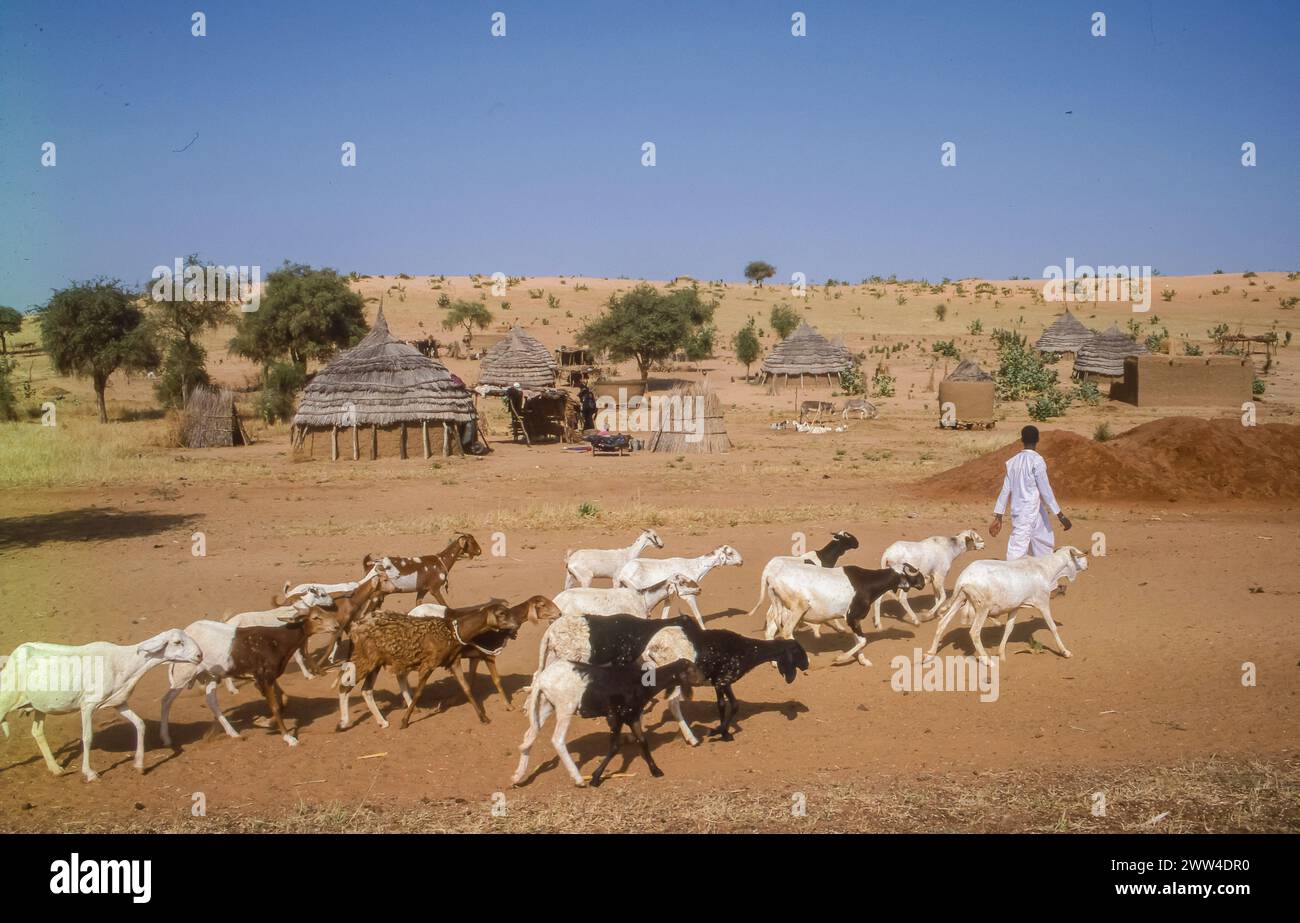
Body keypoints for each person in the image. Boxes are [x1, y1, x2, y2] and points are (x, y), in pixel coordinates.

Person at [989, 425, 1072, 560]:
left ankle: (1043, 577)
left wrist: (998, 516)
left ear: (1022, 439)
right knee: (1017, 550)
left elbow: (1005, 490)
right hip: (1027, 513)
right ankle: (1011, 577)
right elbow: (1046, 491)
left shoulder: (1013, 462)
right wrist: (1060, 516)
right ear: (1038, 439)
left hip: (1031, 511)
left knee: (1044, 541)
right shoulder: (1037, 461)